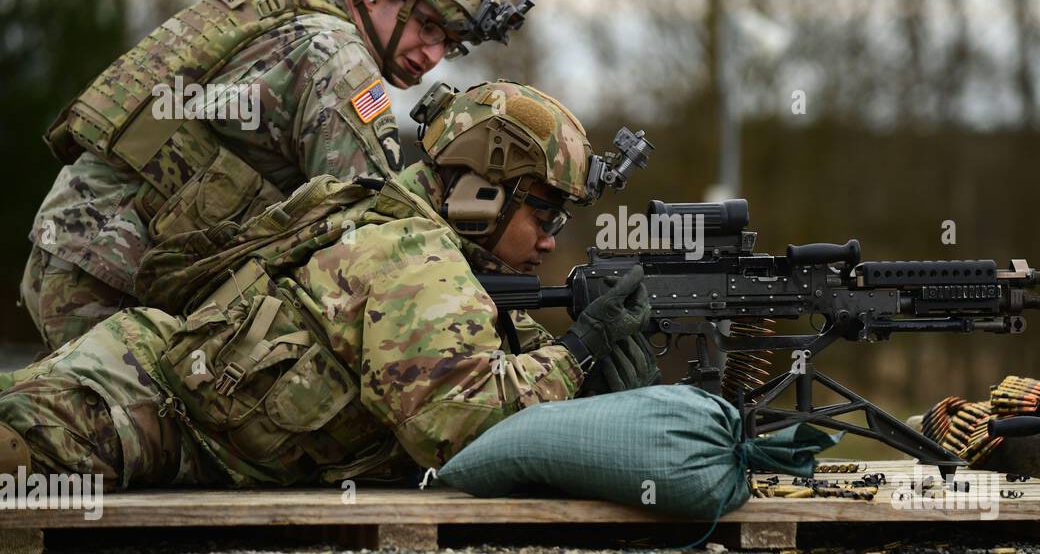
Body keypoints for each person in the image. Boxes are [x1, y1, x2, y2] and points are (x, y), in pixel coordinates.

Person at [0, 82, 658, 489]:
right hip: (133, 403)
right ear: (484, 193)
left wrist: (591, 377)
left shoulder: (431, 247)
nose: (549, 241)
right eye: (544, 215)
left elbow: (490, 370)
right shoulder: (414, 254)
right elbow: (454, 423)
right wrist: (577, 354)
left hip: (159, 399)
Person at [19, 0, 532, 351]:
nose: (433, 55)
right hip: (110, 269)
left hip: (79, 243)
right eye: (428, 27)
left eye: (451, 43)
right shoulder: (340, 63)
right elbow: (374, 231)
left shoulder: (288, 14)